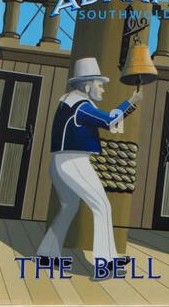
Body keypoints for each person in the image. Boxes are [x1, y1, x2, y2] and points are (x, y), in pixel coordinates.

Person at [37, 57, 142, 266]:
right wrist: (132, 103)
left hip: (59, 162)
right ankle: (106, 261)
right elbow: (109, 121)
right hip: (74, 161)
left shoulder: (67, 100)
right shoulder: (81, 105)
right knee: (102, 206)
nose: (102, 89)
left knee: (69, 207)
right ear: (86, 85)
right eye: (99, 84)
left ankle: (47, 254)